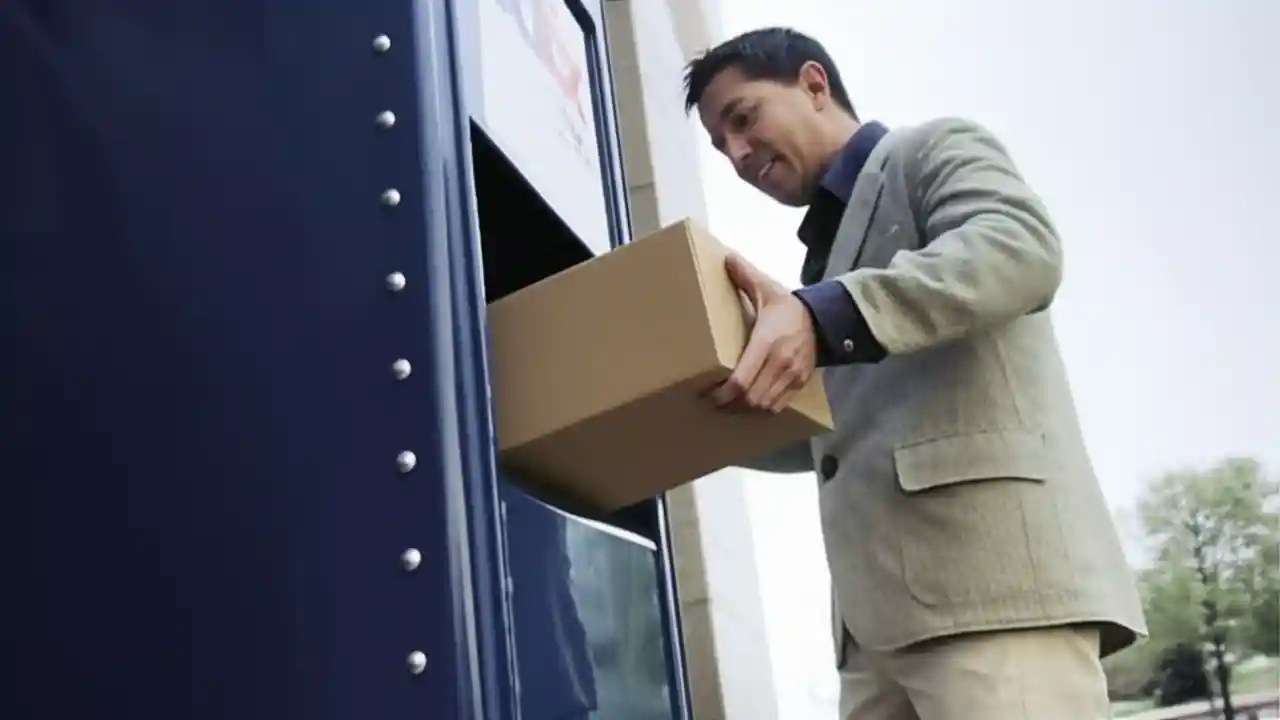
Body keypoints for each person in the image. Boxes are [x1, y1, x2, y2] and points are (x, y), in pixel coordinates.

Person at [683, 27, 1147, 719]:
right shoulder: (821, 263)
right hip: (875, 636)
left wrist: (820, 315)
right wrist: (699, 416)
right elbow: (835, 429)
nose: (739, 155)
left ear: (814, 84)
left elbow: (1019, 247)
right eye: (721, 147)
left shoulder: (930, 150)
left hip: (992, 599)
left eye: (743, 120)